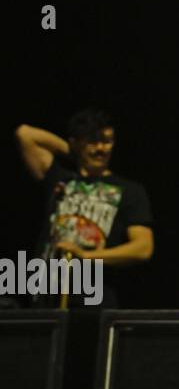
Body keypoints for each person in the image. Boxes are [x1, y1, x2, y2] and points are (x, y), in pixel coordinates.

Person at [14, 109, 154, 307]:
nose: (101, 149)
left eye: (106, 141)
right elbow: (25, 134)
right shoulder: (61, 179)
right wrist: (75, 154)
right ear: (76, 143)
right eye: (92, 141)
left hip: (93, 301)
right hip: (47, 295)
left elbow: (143, 248)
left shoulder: (130, 190)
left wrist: (87, 255)